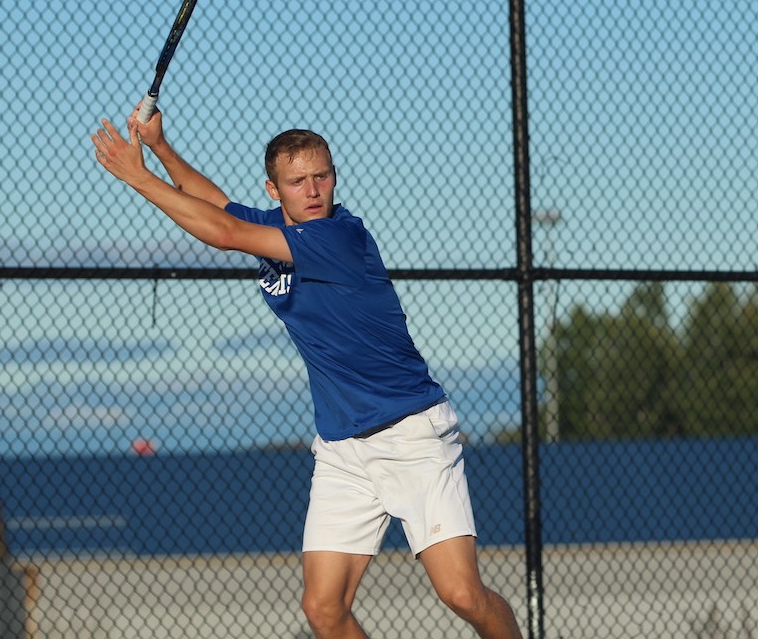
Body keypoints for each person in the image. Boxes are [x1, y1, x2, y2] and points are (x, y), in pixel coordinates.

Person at [91, 108, 523, 639]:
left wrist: (135, 176)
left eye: (323, 176)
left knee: (462, 595)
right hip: (343, 449)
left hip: (411, 434)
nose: (313, 189)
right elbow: (215, 203)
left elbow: (223, 232)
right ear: (274, 189)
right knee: (324, 608)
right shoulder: (277, 224)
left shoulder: (338, 237)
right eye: (298, 181)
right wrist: (159, 146)